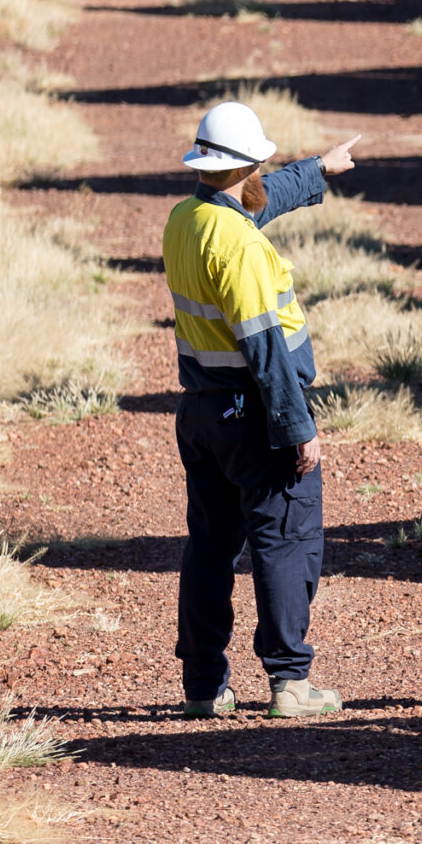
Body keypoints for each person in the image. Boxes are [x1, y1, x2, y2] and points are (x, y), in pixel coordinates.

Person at [164, 100, 361, 720]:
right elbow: (266, 348)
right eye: (261, 164)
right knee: (285, 540)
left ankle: (203, 684)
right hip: (254, 414)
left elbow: (255, 201)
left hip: (202, 412)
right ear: (246, 165)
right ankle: (290, 683)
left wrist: (318, 170)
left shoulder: (186, 219)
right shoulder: (242, 249)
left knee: (209, 548)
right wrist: (299, 428)